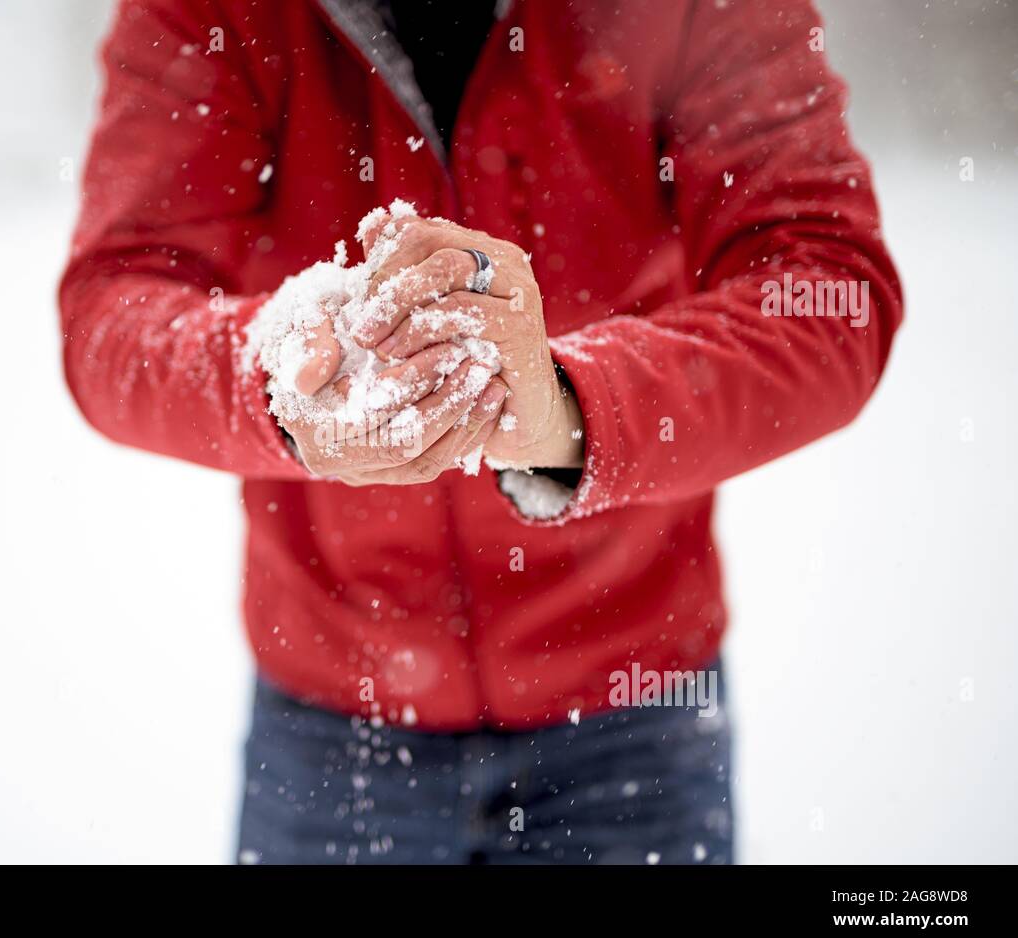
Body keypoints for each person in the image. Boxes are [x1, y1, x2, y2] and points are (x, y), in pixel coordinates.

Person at [59, 0, 902, 864]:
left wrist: (572, 405)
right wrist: (277, 378)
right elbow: (112, 312)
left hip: (633, 716)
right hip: (332, 728)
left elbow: (830, 290)